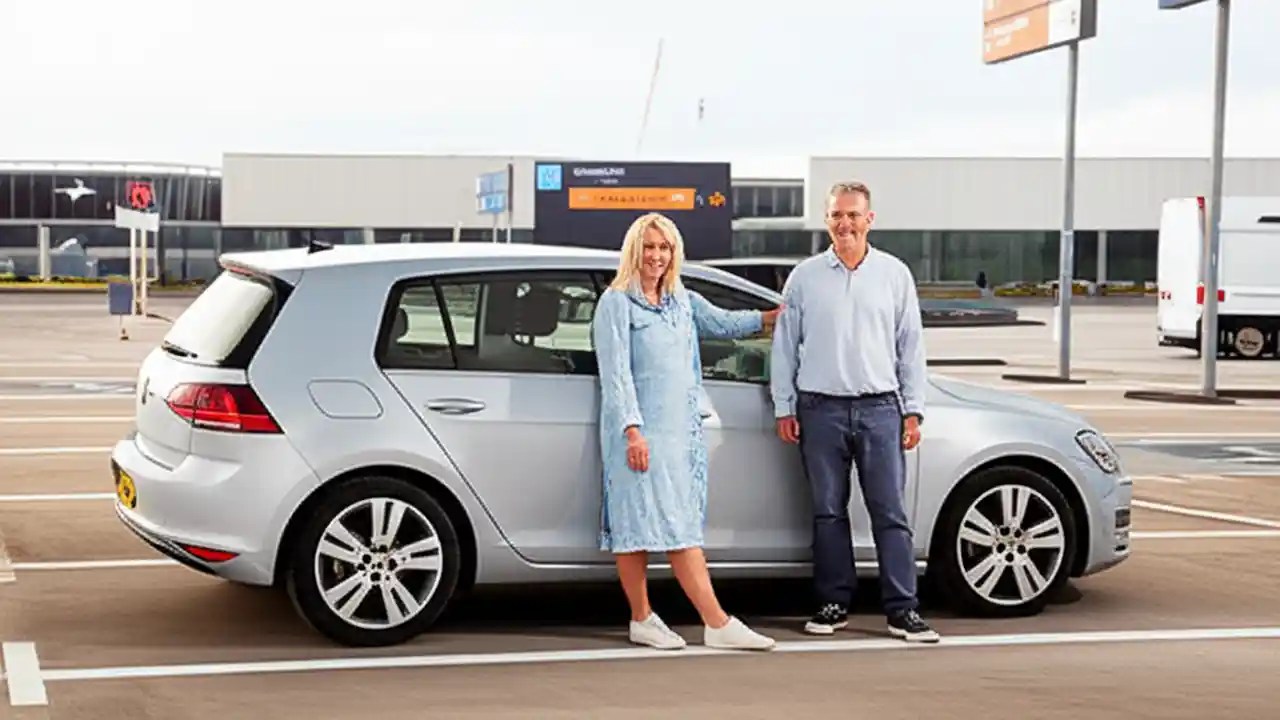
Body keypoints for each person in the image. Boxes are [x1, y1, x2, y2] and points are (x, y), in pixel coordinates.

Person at [592, 212, 782, 652]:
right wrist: (632, 432)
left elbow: (724, 324)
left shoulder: (682, 300)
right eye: (649, 247)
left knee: (656, 525)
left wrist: (772, 317)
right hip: (640, 435)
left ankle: (645, 621)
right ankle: (712, 621)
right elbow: (616, 374)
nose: (657, 256)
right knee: (642, 525)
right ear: (634, 251)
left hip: (682, 437)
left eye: (665, 248)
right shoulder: (616, 303)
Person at [769, 181, 940, 644]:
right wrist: (784, 404)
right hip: (818, 409)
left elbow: (911, 347)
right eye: (836, 215)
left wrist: (913, 409)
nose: (844, 224)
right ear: (826, 220)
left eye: (852, 215)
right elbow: (784, 348)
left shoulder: (894, 275)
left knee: (891, 513)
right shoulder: (805, 277)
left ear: (870, 219)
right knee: (827, 512)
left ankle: (903, 609)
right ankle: (832, 603)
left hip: (881, 408)